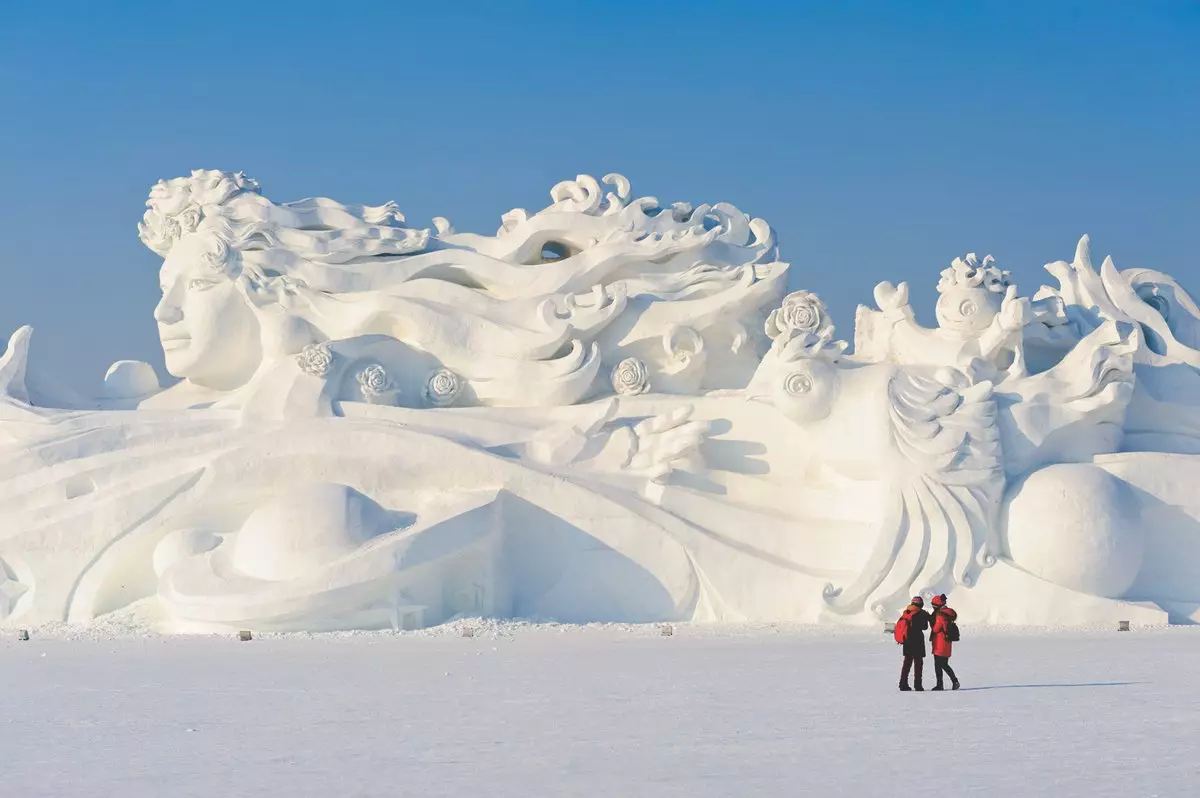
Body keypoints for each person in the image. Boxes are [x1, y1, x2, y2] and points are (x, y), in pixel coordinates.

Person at [896, 596, 933, 691]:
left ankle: (903, 684)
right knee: (918, 663)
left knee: (907, 663)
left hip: (907, 641)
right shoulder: (921, 613)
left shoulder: (906, 612)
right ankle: (918, 685)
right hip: (917, 641)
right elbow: (924, 627)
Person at [929, 593, 961, 691]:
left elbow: (935, 629)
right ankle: (951, 682)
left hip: (939, 643)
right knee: (944, 664)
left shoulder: (940, 615)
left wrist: (930, 620)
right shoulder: (948, 613)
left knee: (939, 665)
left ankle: (943, 684)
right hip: (947, 643)